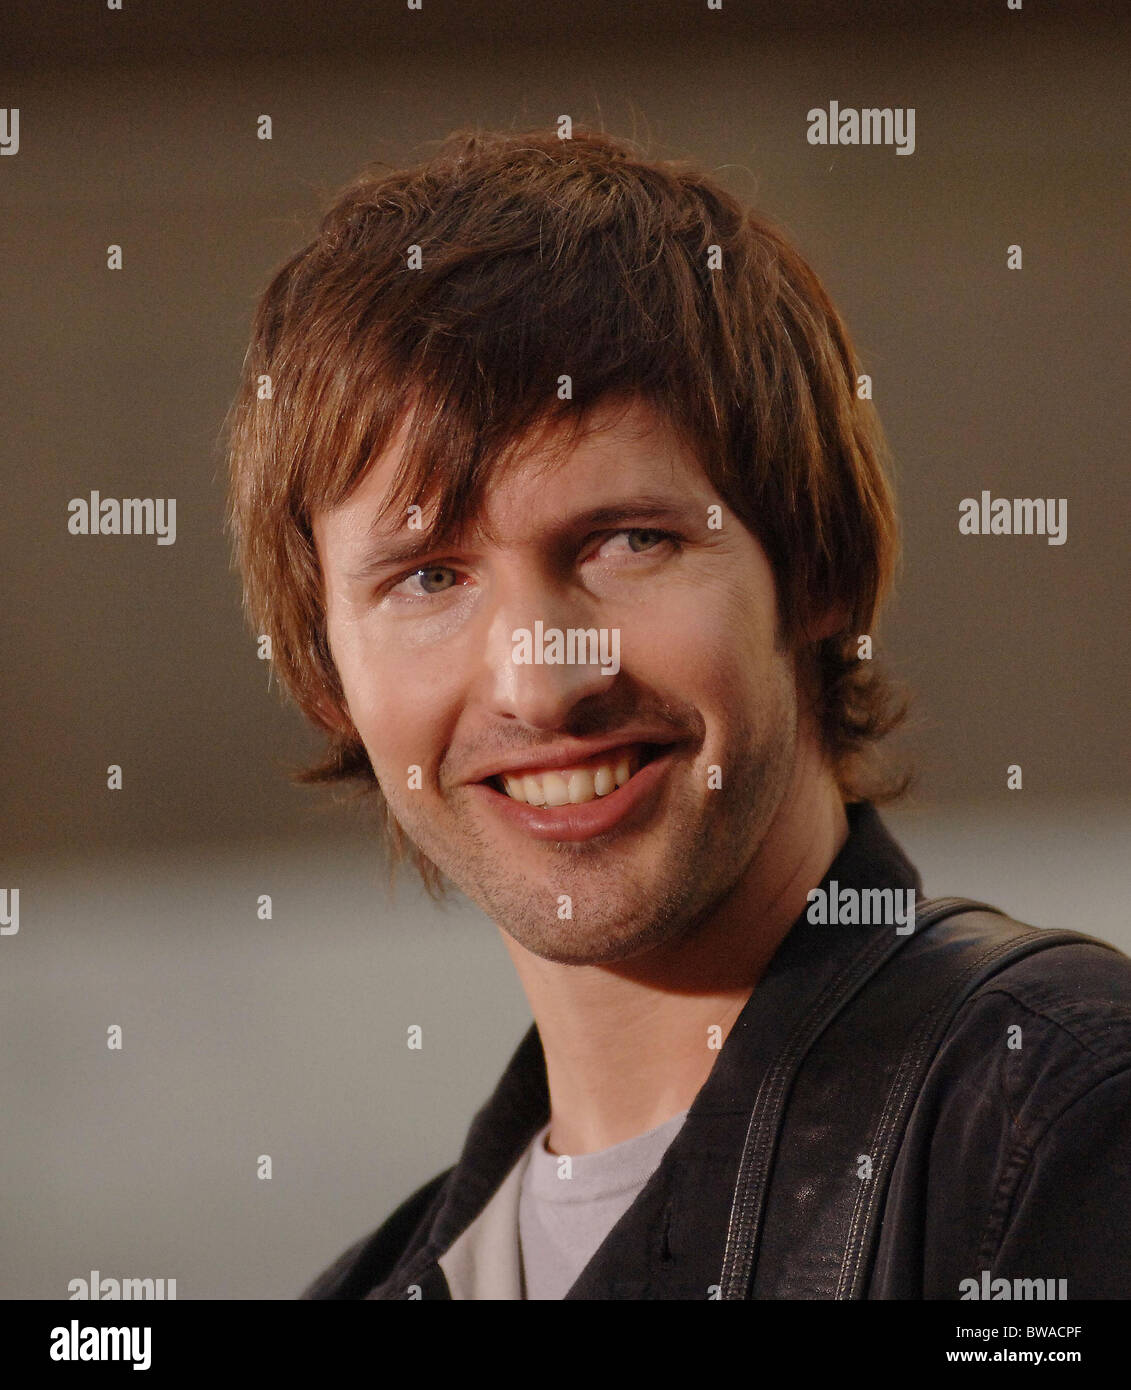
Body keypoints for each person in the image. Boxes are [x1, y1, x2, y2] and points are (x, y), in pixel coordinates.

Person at [224, 128, 1131, 1300]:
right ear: (325, 679)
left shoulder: (1053, 1124)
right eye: (429, 577)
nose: (543, 681)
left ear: (818, 569)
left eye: (628, 541)